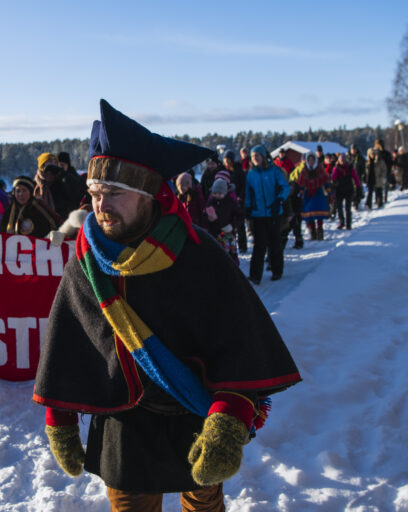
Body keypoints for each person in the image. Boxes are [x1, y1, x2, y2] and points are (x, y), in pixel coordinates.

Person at [33, 100, 301, 512]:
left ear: (149, 194)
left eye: (115, 194)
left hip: (192, 416)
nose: (101, 206)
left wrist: (228, 420)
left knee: (204, 506)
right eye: (95, 193)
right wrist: (60, 417)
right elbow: (69, 341)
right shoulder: (85, 262)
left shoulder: (200, 255)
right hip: (123, 422)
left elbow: (240, 342)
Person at [244, 146, 290, 283]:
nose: (255, 158)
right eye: (253, 157)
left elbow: (285, 187)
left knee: (275, 243)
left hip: (274, 212)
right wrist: (248, 209)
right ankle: (255, 276)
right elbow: (248, 193)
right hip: (258, 215)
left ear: (264, 156)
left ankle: (277, 271)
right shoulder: (251, 174)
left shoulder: (274, 171)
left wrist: (279, 200)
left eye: (257, 155)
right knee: (259, 246)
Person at [204, 178, 243, 265]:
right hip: (214, 234)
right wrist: (208, 219)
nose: (217, 195)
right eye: (215, 193)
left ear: (225, 193)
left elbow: (240, 215)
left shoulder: (230, 202)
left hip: (228, 234)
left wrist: (232, 225)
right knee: (216, 256)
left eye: (220, 193)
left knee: (230, 256)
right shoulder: (211, 202)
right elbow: (204, 216)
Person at [296, 153, 330, 240]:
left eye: (312, 160)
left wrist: (328, 190)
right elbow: (301, 182)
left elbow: (325, 180)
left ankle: (320, 232)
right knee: (310, 213)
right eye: (309, 160)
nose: (311, 162)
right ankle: (313, 232)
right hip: (308, 194)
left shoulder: (319, 169)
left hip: (318, 193)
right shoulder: (304, 171)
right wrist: (300, 192)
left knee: (319, 214)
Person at [223, 150, 248, 253]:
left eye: (228, 160)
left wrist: (240, 197)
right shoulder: (223, 171)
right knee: (229, 226)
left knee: (240, 225)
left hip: (238, 201)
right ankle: (230, 246)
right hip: (227, 202)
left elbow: (243, 186)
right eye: (225, 160)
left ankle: (243, 246)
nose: (227, 162)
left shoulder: (238, 171)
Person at [331, 154, 361, 230]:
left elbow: (355, 177)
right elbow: (333, 178)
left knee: (348, 208)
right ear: (338, 160)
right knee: (339, 207)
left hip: (348, 189)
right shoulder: (336, 168)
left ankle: (348, 224)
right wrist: (336, 169)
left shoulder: (350, 167)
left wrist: (358, 187)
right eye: (341, 160)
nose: (342, 161)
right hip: (339, 190)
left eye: (344, 160)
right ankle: (342, 222)